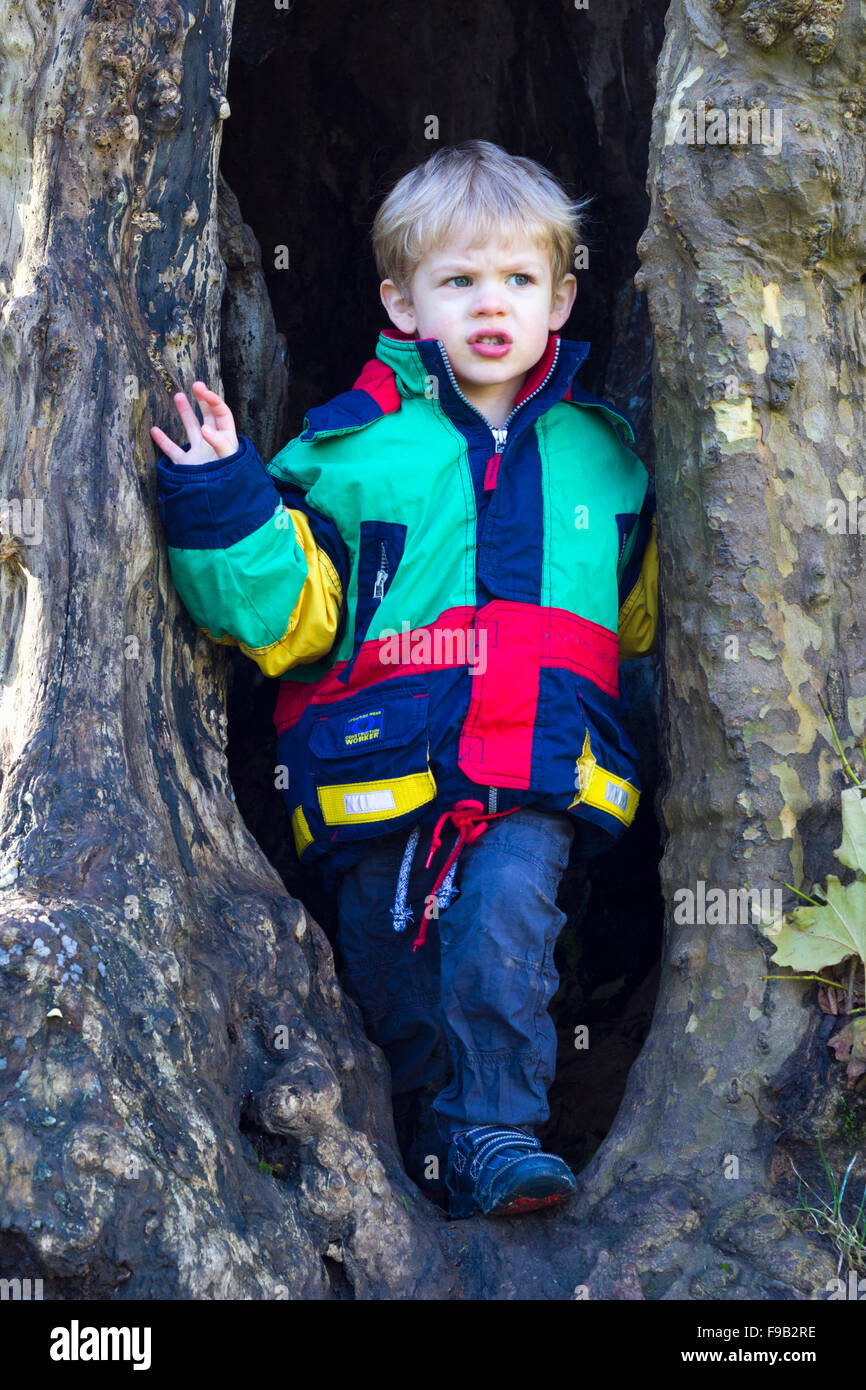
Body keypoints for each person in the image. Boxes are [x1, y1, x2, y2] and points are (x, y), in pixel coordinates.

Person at [152, 139, 658, 1220]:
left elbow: (649, 622)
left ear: (561, 300)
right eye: (458, 280)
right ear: (399, 299)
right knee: (393, 990)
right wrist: (222, 502)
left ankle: (497, 1132)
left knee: (506, 930)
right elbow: (289, 622)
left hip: (530, 779)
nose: (490, 304)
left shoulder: (607, 459)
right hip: (377, 787)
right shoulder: (352, 452)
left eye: (519, 280)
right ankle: (422, 1158)